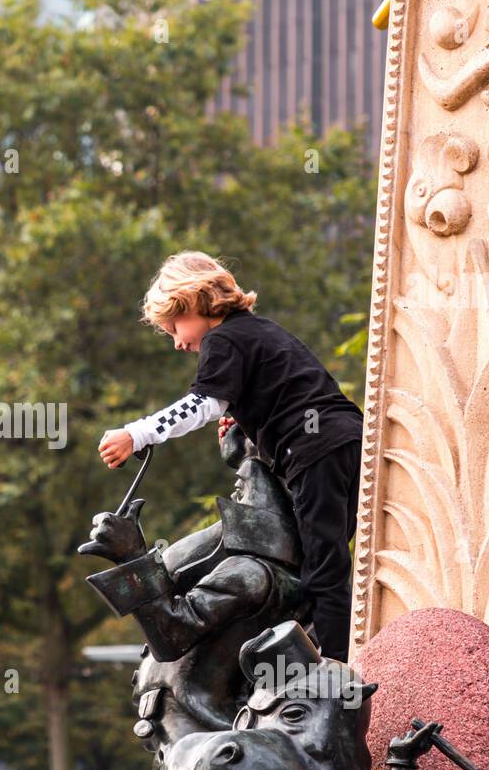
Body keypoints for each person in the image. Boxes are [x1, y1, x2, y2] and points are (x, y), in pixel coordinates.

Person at [97, 251, 365, 662]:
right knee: (327, 561)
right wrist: (242, 418)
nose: (178, 342)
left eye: (174, 326)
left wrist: (137, 434)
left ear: (194, 302)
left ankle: (340, 678)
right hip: (344, 440)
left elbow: (201, 403)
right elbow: (279, 389)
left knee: (322, 572)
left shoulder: (222, 339)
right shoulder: (256, 331)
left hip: (314, 451)